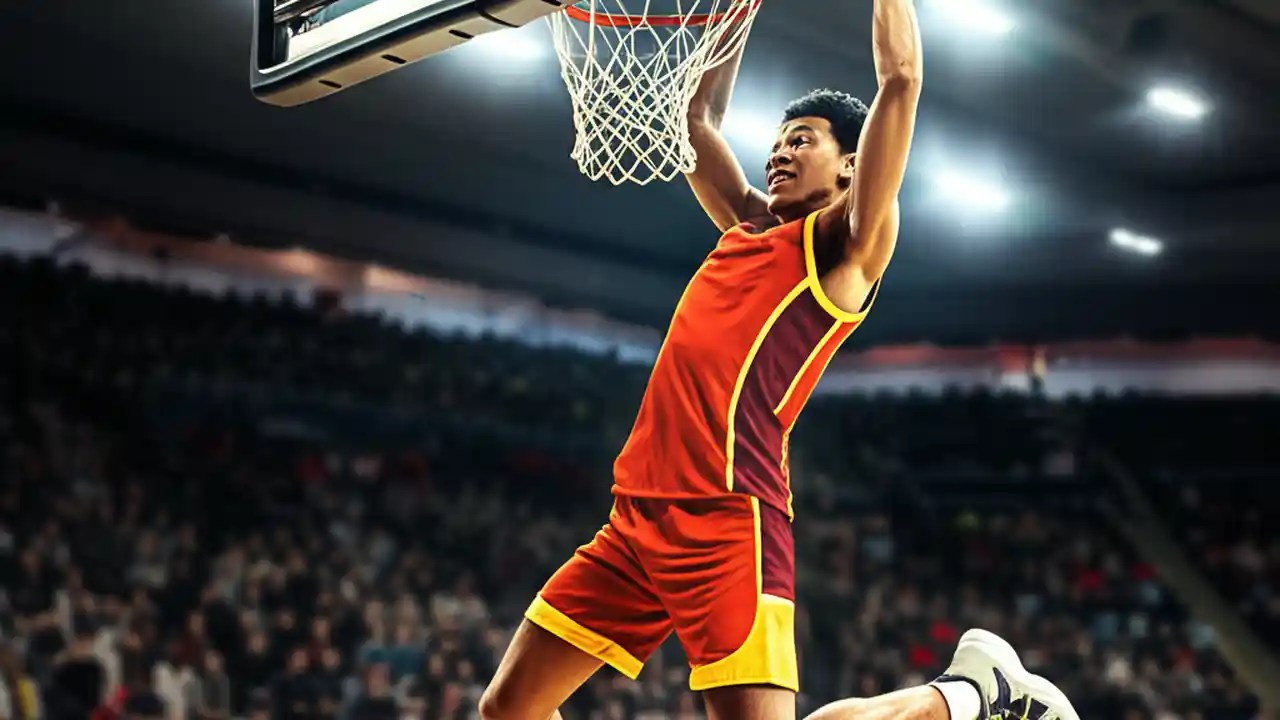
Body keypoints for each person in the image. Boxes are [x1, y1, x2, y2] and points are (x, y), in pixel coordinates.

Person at [480, 1, 1081, 719]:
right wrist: (735, 14)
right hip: (635, 520)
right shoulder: (747, 227)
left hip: (730, 521)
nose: (779, 152)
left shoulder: (849, 248)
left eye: (802, 140)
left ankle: (969, 695)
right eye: (778, 140)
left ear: (852, 165)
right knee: (507, 709)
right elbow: (696, 120)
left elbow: (902, 78)